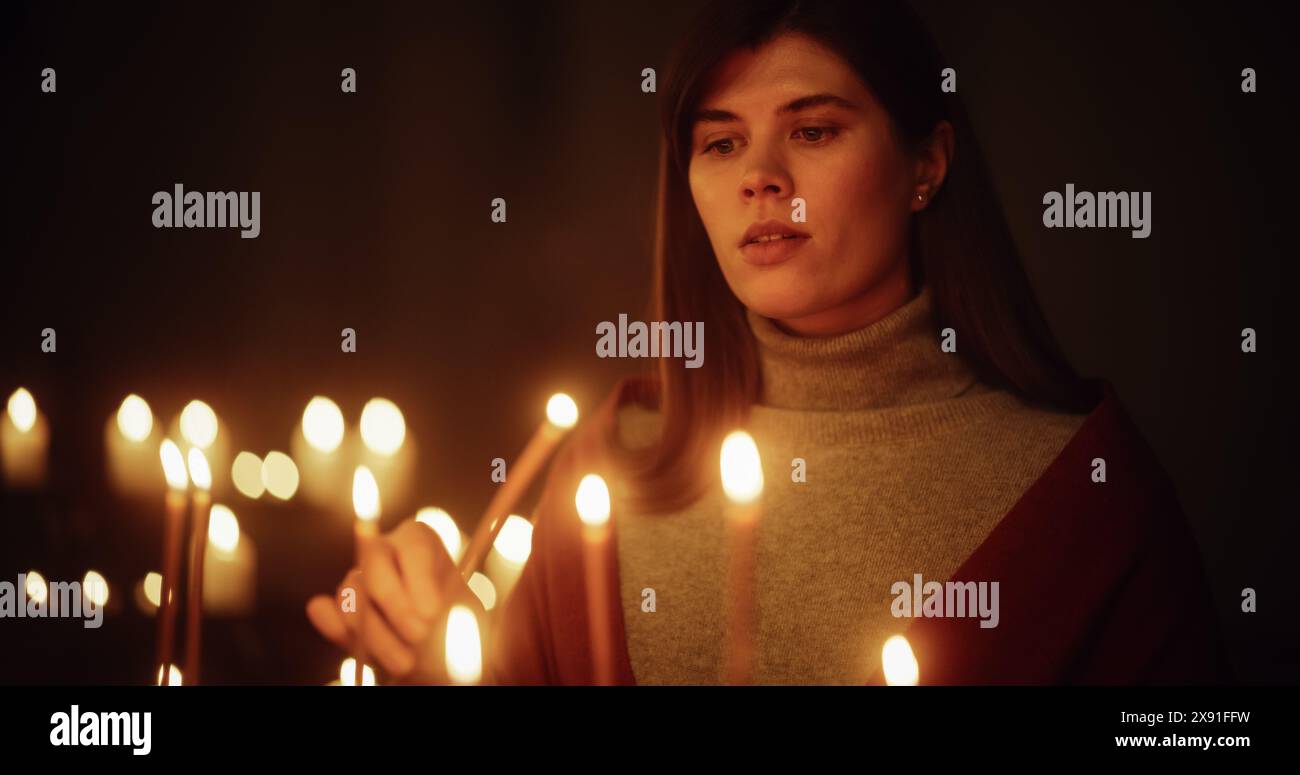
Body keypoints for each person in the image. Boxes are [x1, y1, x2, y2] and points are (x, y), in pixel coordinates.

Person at [307, 0, 1230, 685]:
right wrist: (434, 655)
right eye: (720, 144)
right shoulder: (611, 462)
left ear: (927, 164)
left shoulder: (1087, 492)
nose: (761, 178)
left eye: (813, 130)